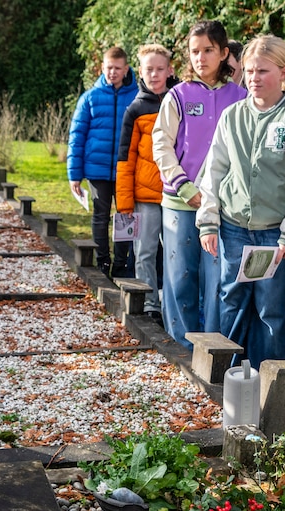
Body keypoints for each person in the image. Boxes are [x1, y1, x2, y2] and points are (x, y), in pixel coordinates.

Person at [195, 35, 285, 369]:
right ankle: (225, 375)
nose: (254, 78)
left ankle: (269, 380)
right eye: (249, 71)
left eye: (263, 71)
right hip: (233, 228)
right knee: (231, 300)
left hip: (274, 232)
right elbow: (213, 170)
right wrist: (208, 221)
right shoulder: (232, 116)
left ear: (283, 72)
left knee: (270, 308)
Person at [152, 20, 248, 349]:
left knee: (219, 280)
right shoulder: (178, 95)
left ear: (223, 53)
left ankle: (212, 348)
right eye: (195, 51)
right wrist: (186, 188)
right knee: (181, 278)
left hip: (222, 207)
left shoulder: (241, 97)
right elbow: (161, 146)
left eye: (208, 50)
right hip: (179, 203)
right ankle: (181, 346)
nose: (201, 58)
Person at [116, 44, 178, 324]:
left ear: (170, 70)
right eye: (148, 69)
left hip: (176, 194)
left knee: (177, 255)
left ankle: (173, 304)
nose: (154, 74)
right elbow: (124, 160)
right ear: (140, 71)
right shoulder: (135, 109)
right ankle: (149, 304)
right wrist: (124, 203)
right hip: (145, 197)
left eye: (159, 69)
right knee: (145, 252)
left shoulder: (180, 102)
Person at [68, 46, 139, 278]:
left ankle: (121, 263)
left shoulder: (137, 95)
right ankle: (102, 261)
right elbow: (77, 137)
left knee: (125, 216)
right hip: (96, 169)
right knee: (100, 215)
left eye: (118, 68)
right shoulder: (90, 98)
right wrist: (74, 174)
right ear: (102, 68)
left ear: (126, 69)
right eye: (109, 68)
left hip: (126, 169)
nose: (113, 72)